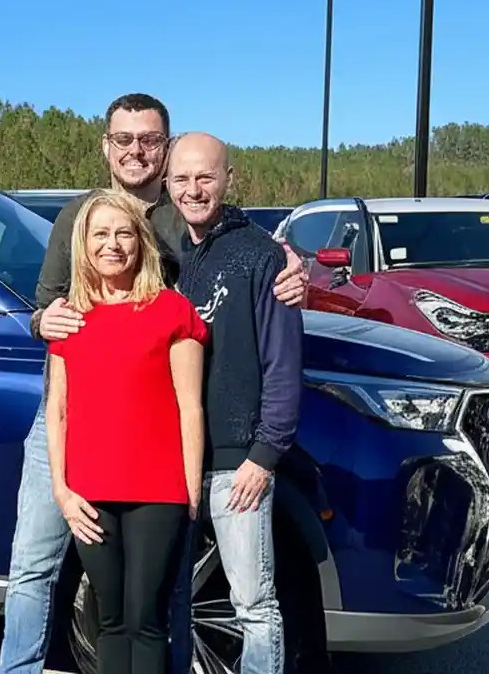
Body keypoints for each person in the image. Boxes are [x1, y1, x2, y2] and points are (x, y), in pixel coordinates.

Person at [0, 93, 307, 674]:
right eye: (124, 139)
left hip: (151, 432)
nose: (135, 151)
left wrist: (292, 264)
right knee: (33, 566)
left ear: (164, 149)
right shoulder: (77, 216)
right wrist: (42, 323)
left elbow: (240, 246)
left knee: (168, 593)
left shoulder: (179, 213)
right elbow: (47, 308)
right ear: (106, 146)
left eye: (149, 140)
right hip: (68, 418)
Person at [45, 188, 207, 674]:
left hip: (158, 493)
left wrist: (191, 493)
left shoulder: (172, 311)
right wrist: (62, 493)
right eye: (100, 234)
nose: (112, 245)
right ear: (83, 243)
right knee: (110, 621)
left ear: (141, 242)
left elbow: (190, 406)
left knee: (146, 619)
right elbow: (58, 410)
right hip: (89, 493)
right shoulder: (69, 317)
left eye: (123, 234)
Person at [168, 132, 303, 674]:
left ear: (229, 178)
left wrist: (263, 456)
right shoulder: (168, 256)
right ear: (167, 183)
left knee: (254, 604)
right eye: (182, 178)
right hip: (172, 460)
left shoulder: (262, 256)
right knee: (172, 598)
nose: (193, 189)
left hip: (236, 466)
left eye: (205, 176)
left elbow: (283, 364)